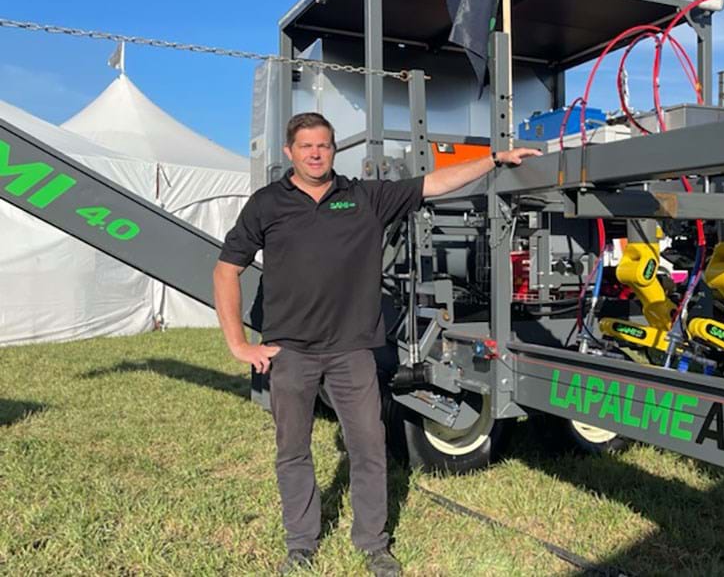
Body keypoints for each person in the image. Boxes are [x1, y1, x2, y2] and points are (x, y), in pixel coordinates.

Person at [213, 112, 539, 575]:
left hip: (352, 352)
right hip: (290, 352)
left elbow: (433, 184)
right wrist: (238, 344)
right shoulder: (267, 204)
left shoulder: (364, 197)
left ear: (333, 150)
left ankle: (373, 544)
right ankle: (301, 545)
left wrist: (493, 158)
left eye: (323, 145)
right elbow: (227, 269)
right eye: (305, 146)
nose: (315, 153)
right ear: (289, 152)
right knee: (293, 451)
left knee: (368, 448)